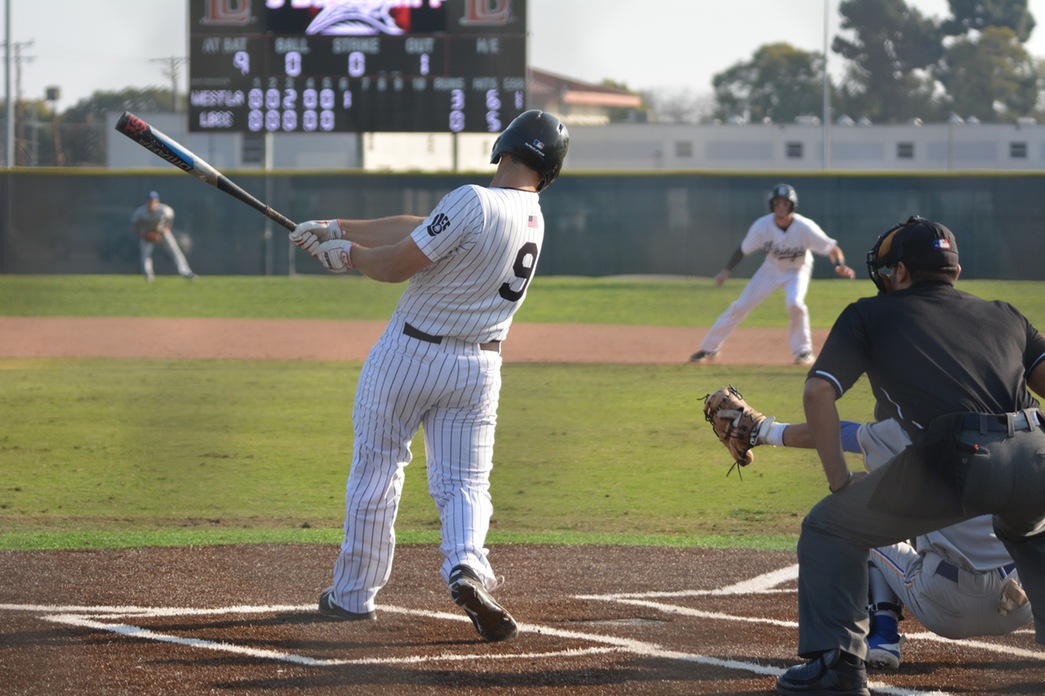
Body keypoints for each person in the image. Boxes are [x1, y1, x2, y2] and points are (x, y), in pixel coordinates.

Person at [287, 110, 569, 642]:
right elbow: (423, 230)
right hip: (480, 367)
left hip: (409, 356)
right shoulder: (530, 214)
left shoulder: (474, 198)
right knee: (465, 483)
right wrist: (338, 227)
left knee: (378, 468)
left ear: (502, 146)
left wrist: (348, 256)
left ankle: (352, 597)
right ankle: (466, 567)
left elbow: (396, 263)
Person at [776, 215, 1045, 695]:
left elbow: (819, 394)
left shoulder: (871, 314)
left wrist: (840, 487)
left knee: (829, 527)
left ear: (899, 273)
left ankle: (839, 670)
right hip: (1036, 449)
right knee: (1030, 538)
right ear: (955, 272)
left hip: (962, 456)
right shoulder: (1006, 314)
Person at [734, 408, 1031, 670]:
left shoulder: (902, 431)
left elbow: (839, 433)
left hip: (944, 607)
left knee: (853, 522)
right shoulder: (1015, 429)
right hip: (1021, 600)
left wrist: (764, 431)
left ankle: (884, 636)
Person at [689, 183, 855, 366]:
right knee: (740, 305)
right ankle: (709, 349)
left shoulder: (805, 227)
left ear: (792, 205)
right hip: (771, 269)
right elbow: (743, 250)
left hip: (798, 270)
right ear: (772, 206)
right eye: (777, 203)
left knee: (795, 303)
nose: (781, 207)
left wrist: (839, 265)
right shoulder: (762, 226)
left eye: (785, 203)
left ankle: (804, 352)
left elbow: (832, 248)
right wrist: (726, 271)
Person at [130, 191, 196, 281]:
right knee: (145, 254)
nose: (152, 203)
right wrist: (142, 235)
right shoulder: (140, 212)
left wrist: (165, 230)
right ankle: (148, 275)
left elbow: (170, 220)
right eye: (150, 201)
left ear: (157, 201)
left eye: (153, 201)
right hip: (147, 234)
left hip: (162, 232)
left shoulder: (164, 210)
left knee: (175, 251)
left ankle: (186, 272)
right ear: (146, 201)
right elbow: (135, 224)